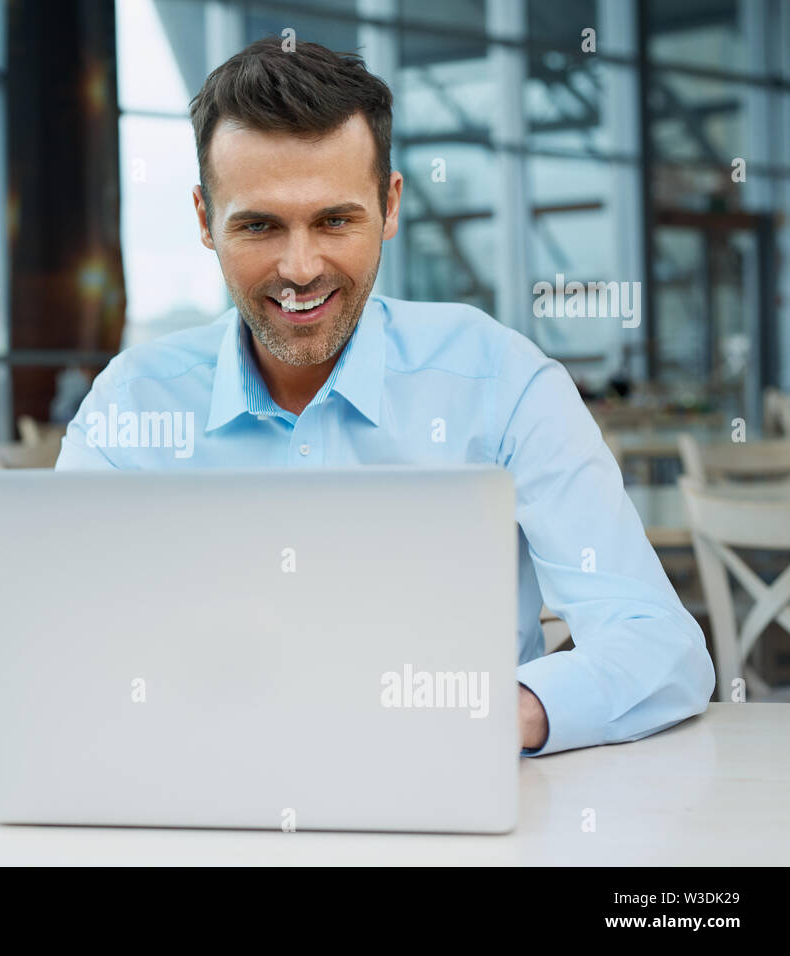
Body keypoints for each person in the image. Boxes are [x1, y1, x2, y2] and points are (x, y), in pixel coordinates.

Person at [55, 38, 714, 755]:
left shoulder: (502, 383)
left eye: (335, 220)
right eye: (259, 225)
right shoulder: (132, 405)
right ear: (204, 219)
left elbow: (660, 646)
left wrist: (503, 715)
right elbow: (62, 639)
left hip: (448, 791)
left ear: (390, 204)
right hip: (190, 779)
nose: (299, 269)